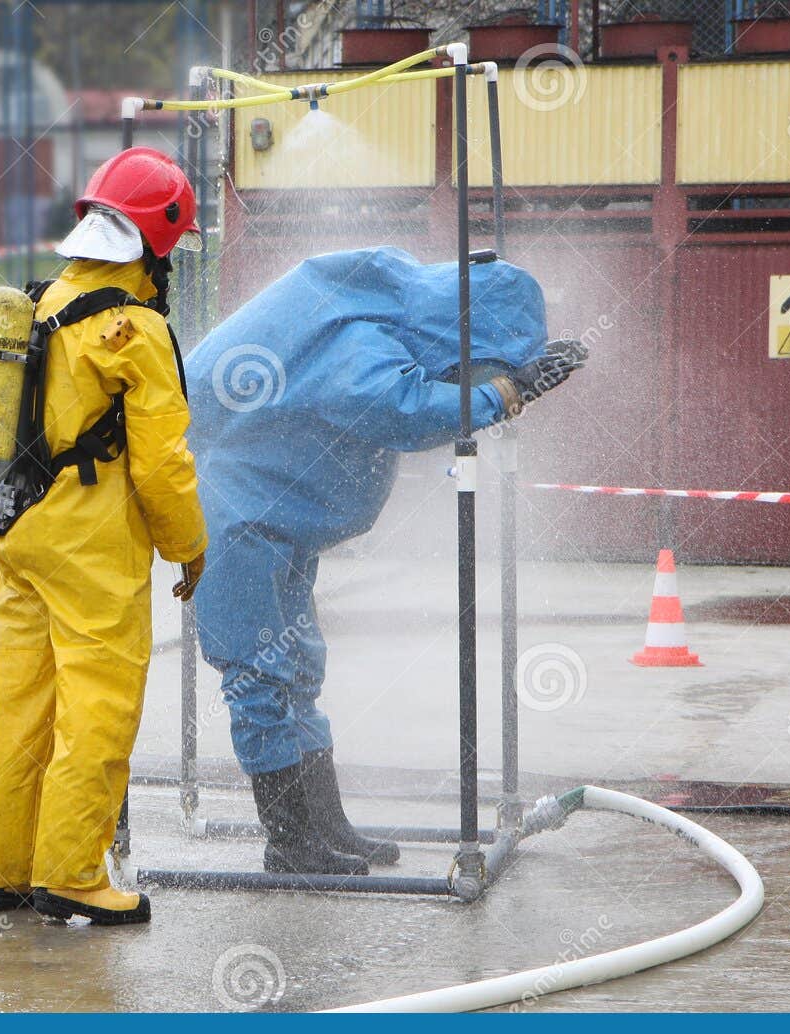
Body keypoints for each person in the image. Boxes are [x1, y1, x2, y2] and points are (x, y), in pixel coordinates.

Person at [186, 248, 587, 876]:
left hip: (272, 526)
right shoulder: (360, 341)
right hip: (237, 528)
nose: (470, 378)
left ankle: (327, 826)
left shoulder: (378, 314)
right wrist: (501, 393)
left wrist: (498, 387)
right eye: (475, 365)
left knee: (297, 670)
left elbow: (417, 394)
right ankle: (291, 841)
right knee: (261, 678)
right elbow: (397, 409)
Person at [0, 147, 207, 926]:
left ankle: (8, 871)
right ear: (157, 243)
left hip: (18, 530)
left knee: (21, 710)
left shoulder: (39, 303)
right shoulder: (132, 329)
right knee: (97, 708)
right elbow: (163, 463)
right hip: (90, 545)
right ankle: (74, 872)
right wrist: (187, 545)